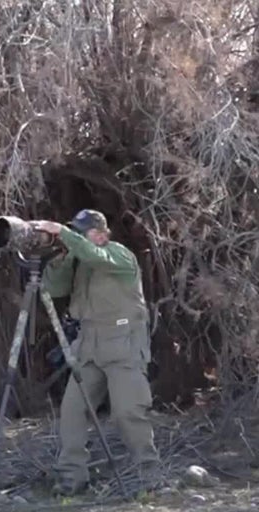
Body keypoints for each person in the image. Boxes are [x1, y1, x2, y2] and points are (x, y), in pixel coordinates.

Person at [30, 210, 161, 496]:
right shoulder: (80, 262)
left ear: (101, 235)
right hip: (89, 344)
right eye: (74, 231)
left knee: (127, 411)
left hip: (123, 343)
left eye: (81, 232)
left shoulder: (119, 255)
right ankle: (71, 478)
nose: (75, 237)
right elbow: (53, 288)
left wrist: (64, 234)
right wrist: (64, 256)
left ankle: (149, 475)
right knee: (72, 411)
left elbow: (97, 257)